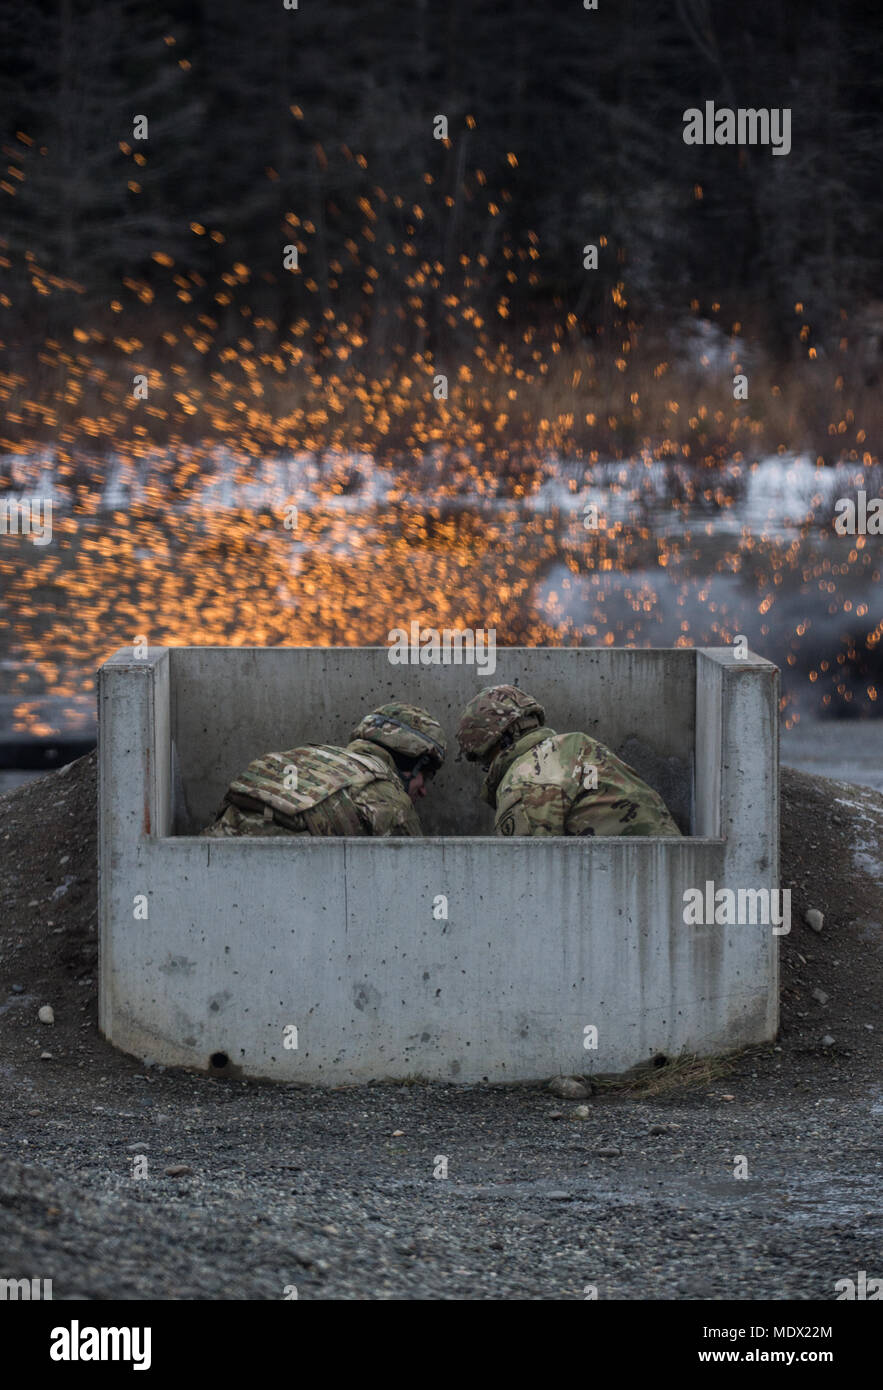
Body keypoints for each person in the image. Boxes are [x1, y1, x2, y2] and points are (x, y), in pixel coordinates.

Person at [456, 684, 682, 838]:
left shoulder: (524, 781)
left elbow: (528, 878)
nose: (486, 770)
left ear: (495, 744)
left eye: (483, 761)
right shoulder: (577, 744)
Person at [201, 702, 445, 838]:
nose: (423, 791)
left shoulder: (303, 756)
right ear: (411, 763)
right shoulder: (389, 799)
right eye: (427, 776)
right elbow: (415, 882)